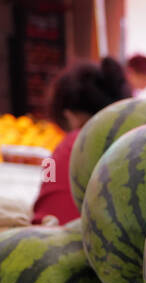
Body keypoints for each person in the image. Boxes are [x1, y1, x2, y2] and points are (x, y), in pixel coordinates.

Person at [31, 58, 132, 225]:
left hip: (67, 246)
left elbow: (45, 219)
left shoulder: (65, 148)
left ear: (68, 115)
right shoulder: (134, 142)